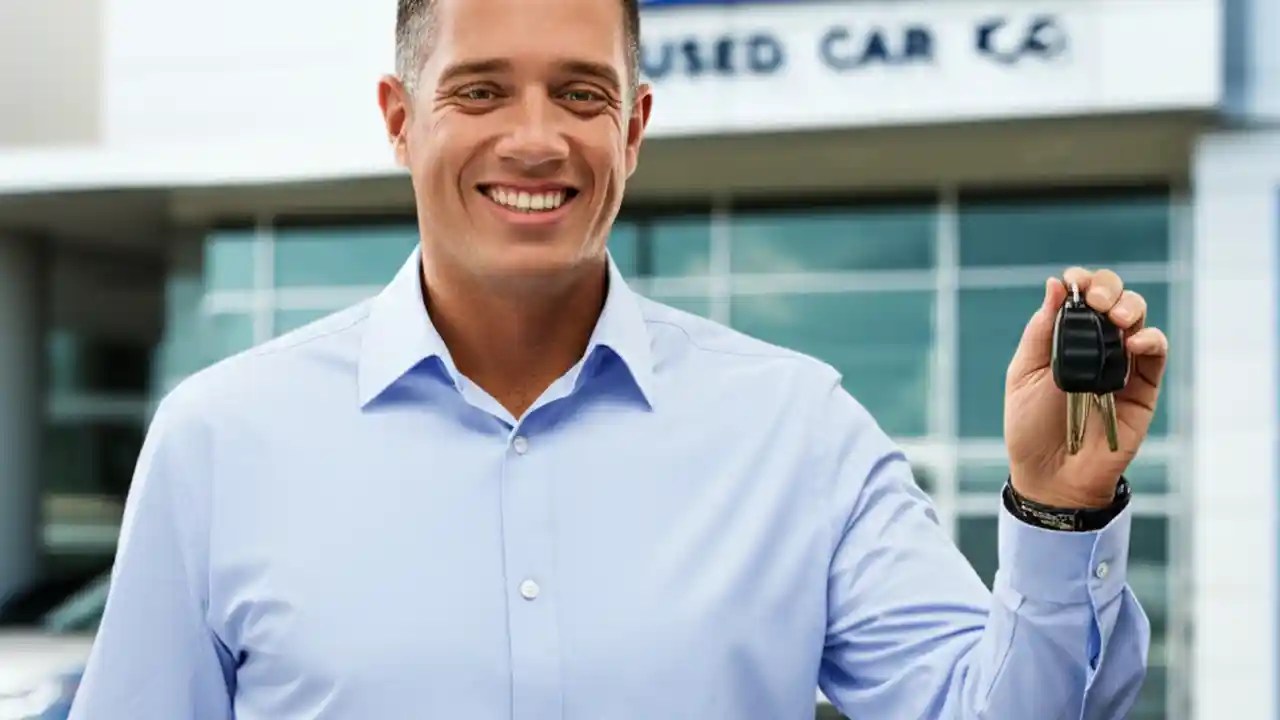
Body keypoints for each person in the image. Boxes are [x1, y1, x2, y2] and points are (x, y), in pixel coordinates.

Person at [69, 0, 1166, 717]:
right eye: (480, 90)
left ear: (633, 131)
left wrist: (1058, 507)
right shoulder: (222, 439)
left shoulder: (796, 434)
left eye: (581, 95)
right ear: (399, 121)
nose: (536, 138)